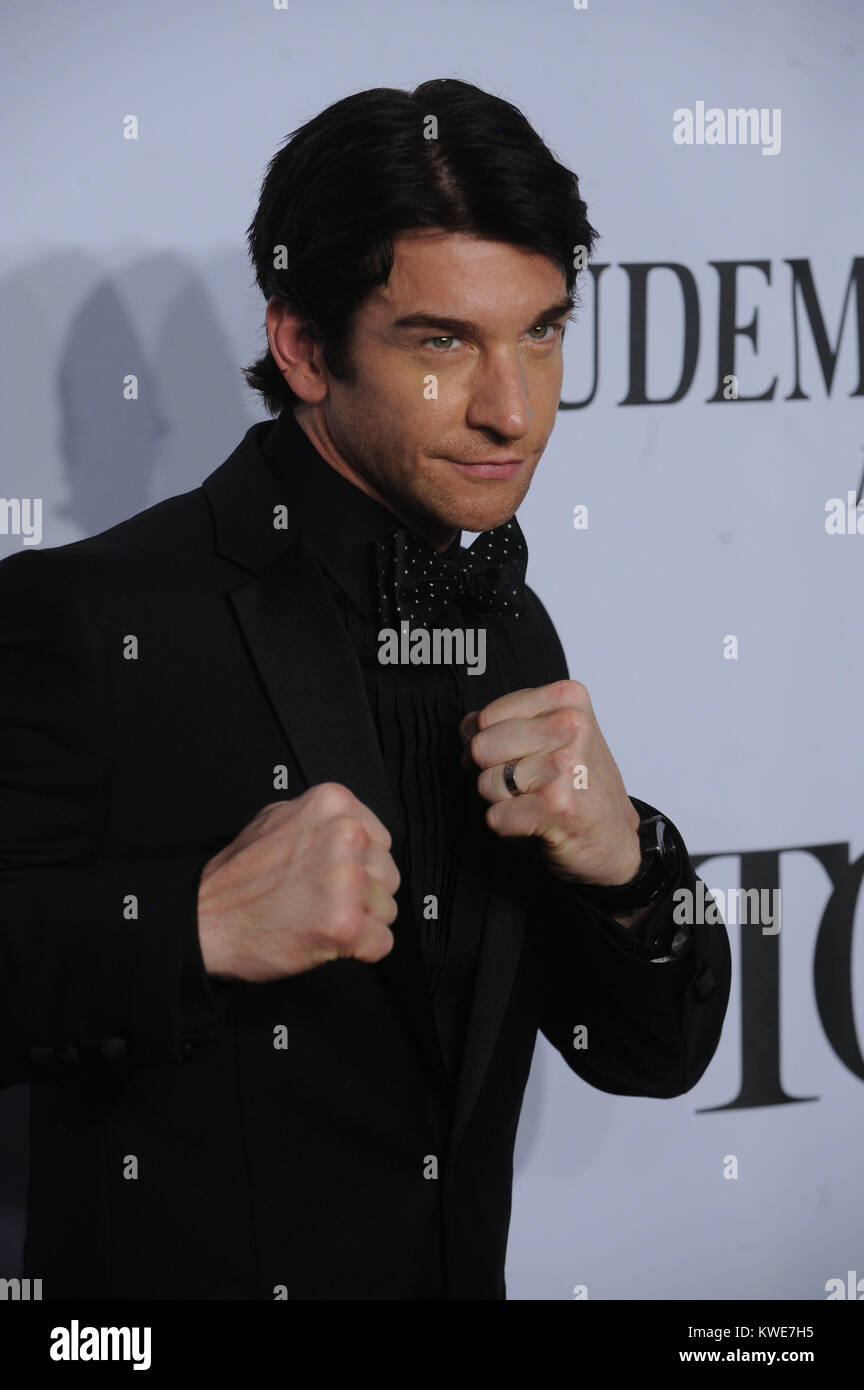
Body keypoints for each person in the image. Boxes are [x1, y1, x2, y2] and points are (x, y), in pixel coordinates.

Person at [0, 78, 730, 1300]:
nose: (513, 411)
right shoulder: (90, 616)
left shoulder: (509, 620)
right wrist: (192, 925)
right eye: (442, 341)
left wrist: (625, 866)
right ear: (301, 343)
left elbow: (655, 1058)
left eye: (541, 332)